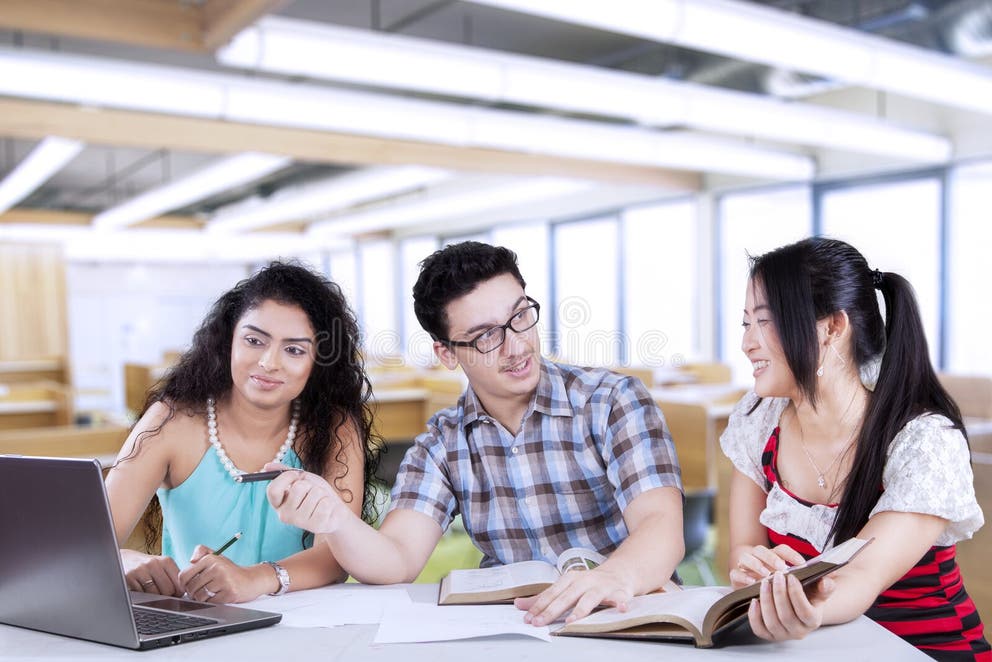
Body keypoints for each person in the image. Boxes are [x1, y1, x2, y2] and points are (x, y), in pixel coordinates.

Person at [266, 241, 684, 626]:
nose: (516, 346)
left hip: (625, 614)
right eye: (486, 336)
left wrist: (611, 579)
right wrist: (336, 519)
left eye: (520, 317)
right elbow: (397, 560)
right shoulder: (442, 444)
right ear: (447, 353)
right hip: (516, 630)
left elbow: (661, 526)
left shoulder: (612, 401)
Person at [721, 237, 989, 660]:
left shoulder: (923, 440)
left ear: (832, 327)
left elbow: (861, 575)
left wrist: (805, 606)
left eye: (765, 321)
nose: (746, 343)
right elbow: (742, 548)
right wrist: (751, 567)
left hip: (924, 650)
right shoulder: (758, 422)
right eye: (745, 324)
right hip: (814, 649)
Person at [106, 261, 380, 604]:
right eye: (254, 340)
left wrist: (254, 579)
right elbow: (92, 540)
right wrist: (127, 560)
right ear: (228, 341)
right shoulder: (170, 421)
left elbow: (337, 556)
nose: (268, 362)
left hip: (306, 627)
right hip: (194, 623)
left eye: (294, 349)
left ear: (319, 361)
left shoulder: (334, 428)